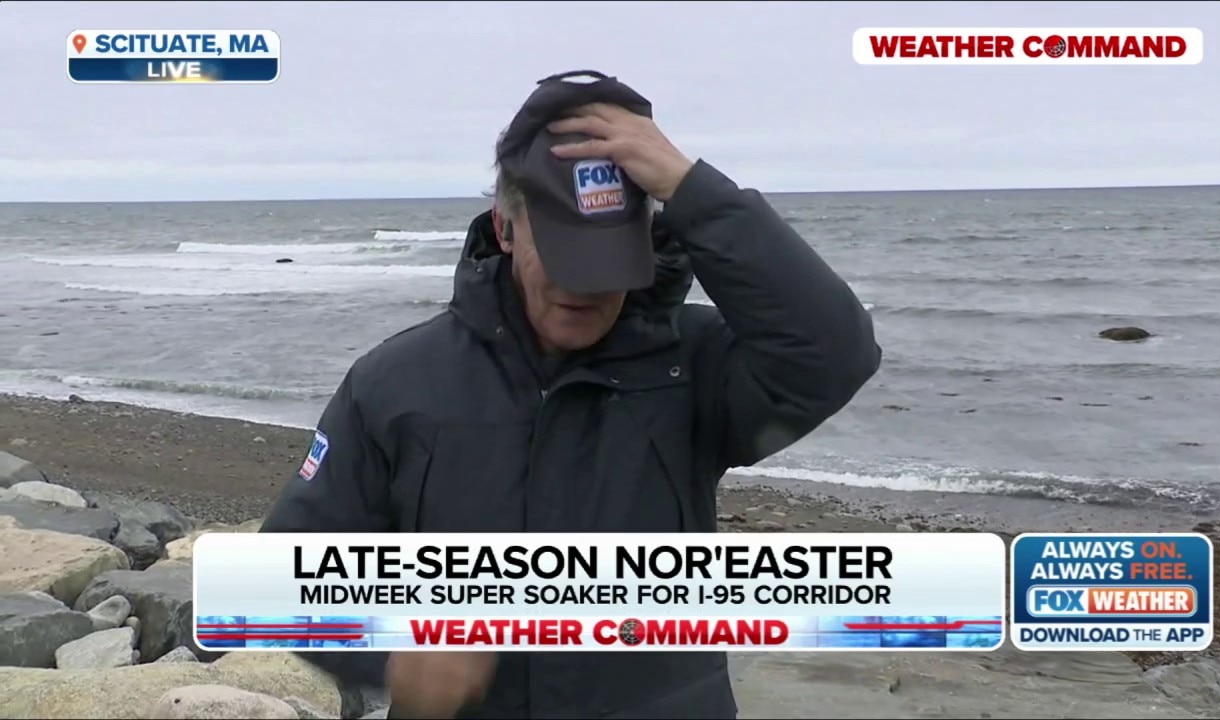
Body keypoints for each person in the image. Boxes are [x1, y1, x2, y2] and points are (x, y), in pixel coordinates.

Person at [258, 70, 881, 719]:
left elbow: (834, 352)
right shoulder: (395, 383)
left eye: (607, 260)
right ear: (505, 228)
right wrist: (391, 654)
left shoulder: (692, 367)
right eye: (563, 255)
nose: (583, 288)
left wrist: (693, 189)